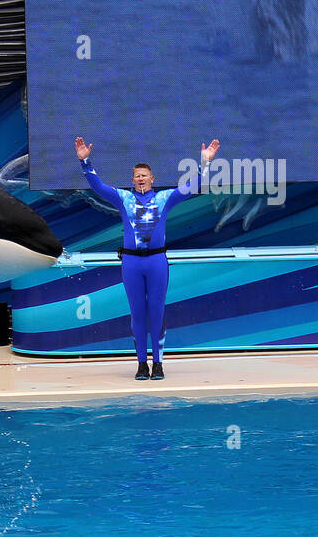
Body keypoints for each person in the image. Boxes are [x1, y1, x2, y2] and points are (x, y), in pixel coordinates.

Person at [74, 136, 219, 381]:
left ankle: (158, 364)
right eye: (137, 175)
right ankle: (142, 364)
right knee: (138, 313)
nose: (141, 178)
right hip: (132, 263)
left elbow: (191, 186)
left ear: (152, 179)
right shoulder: (123, 198)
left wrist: (204, 164)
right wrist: (85, 161)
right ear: (132, 180)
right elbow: (98, 187)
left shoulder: (165, 198)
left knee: (157, 312)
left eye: (145, 175)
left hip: (156, 262)